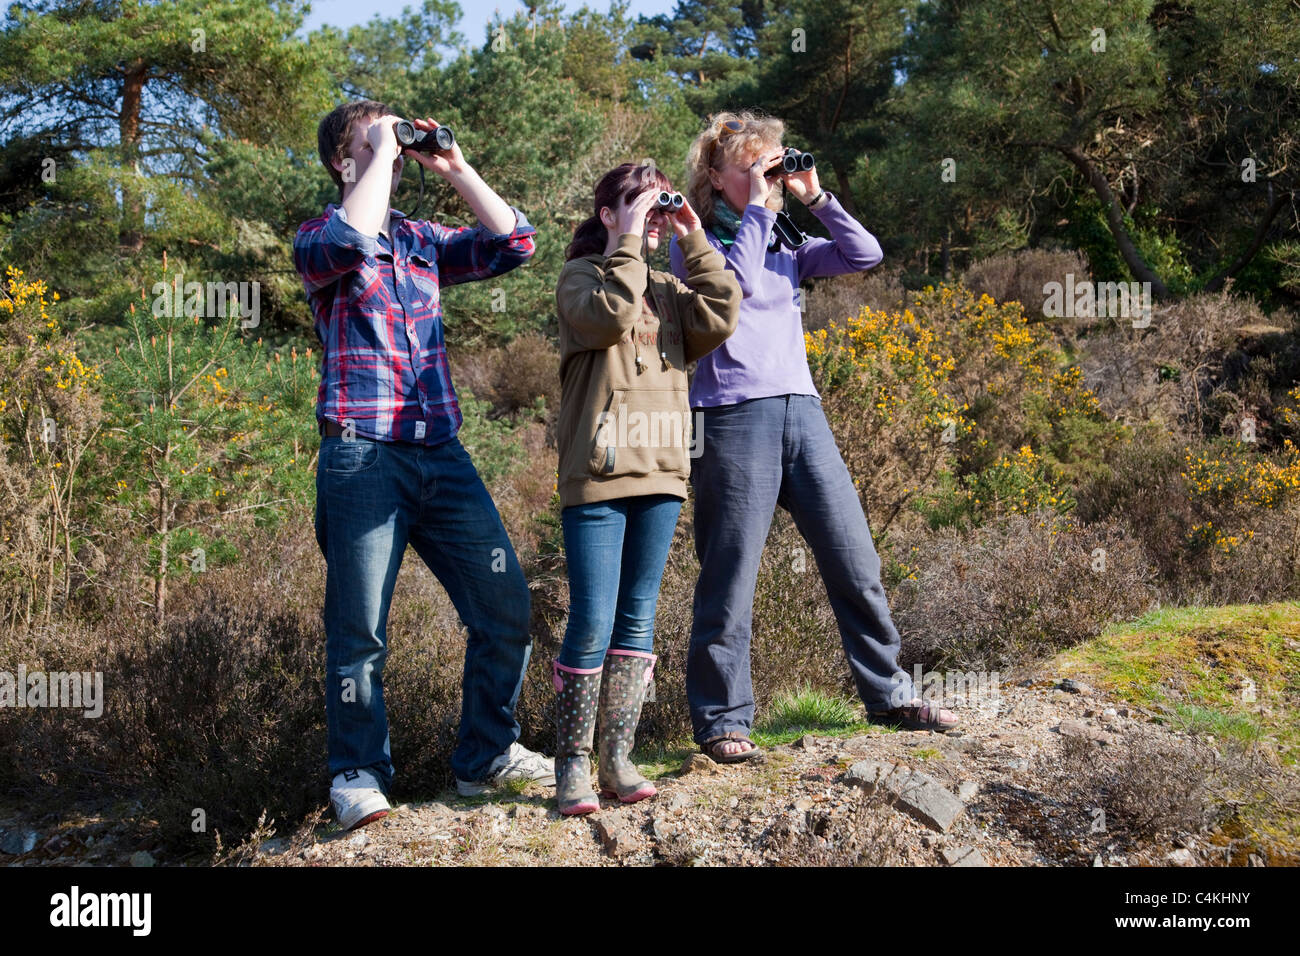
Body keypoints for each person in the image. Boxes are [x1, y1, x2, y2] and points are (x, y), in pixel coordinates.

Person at [669, 110, 960, 764]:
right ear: (715, 177)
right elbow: (733, 286)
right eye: (752, 164)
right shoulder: (692, 241)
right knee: (730, 573)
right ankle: (722, 720)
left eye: (773, 159)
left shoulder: (780, 233)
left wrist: (814, 195)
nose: (767, 171)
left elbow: (865, 254)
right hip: (732, 414)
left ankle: (889, 694)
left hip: (804, 409)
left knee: (854, 558)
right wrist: (761, 211)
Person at [294, 100, 553, 831]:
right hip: (360, 453)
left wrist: (455, 165)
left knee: (505, 606)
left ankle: (486, 755)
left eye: (395, 139)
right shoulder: (319, 237)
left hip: (440, 451)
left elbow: (516, 243)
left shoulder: (421, 241)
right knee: (360, 629)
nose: (394, 148)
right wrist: (377, 153)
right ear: (343, 161)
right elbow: (349, 238)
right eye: (371, 141)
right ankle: (357, 775)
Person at [552, 163, 741, 814]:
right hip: (598, 474)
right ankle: (572, 767)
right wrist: (630, 238)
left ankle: (617, 759)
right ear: (608, 214)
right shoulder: (581, 278)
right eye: (639, 205)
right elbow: (605, 320)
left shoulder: (665, 287)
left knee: (638, 618)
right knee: (593, 620)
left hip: (662, 469)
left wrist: (692, 236)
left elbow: (720, 314)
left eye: (659, 207)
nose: (655, 216)